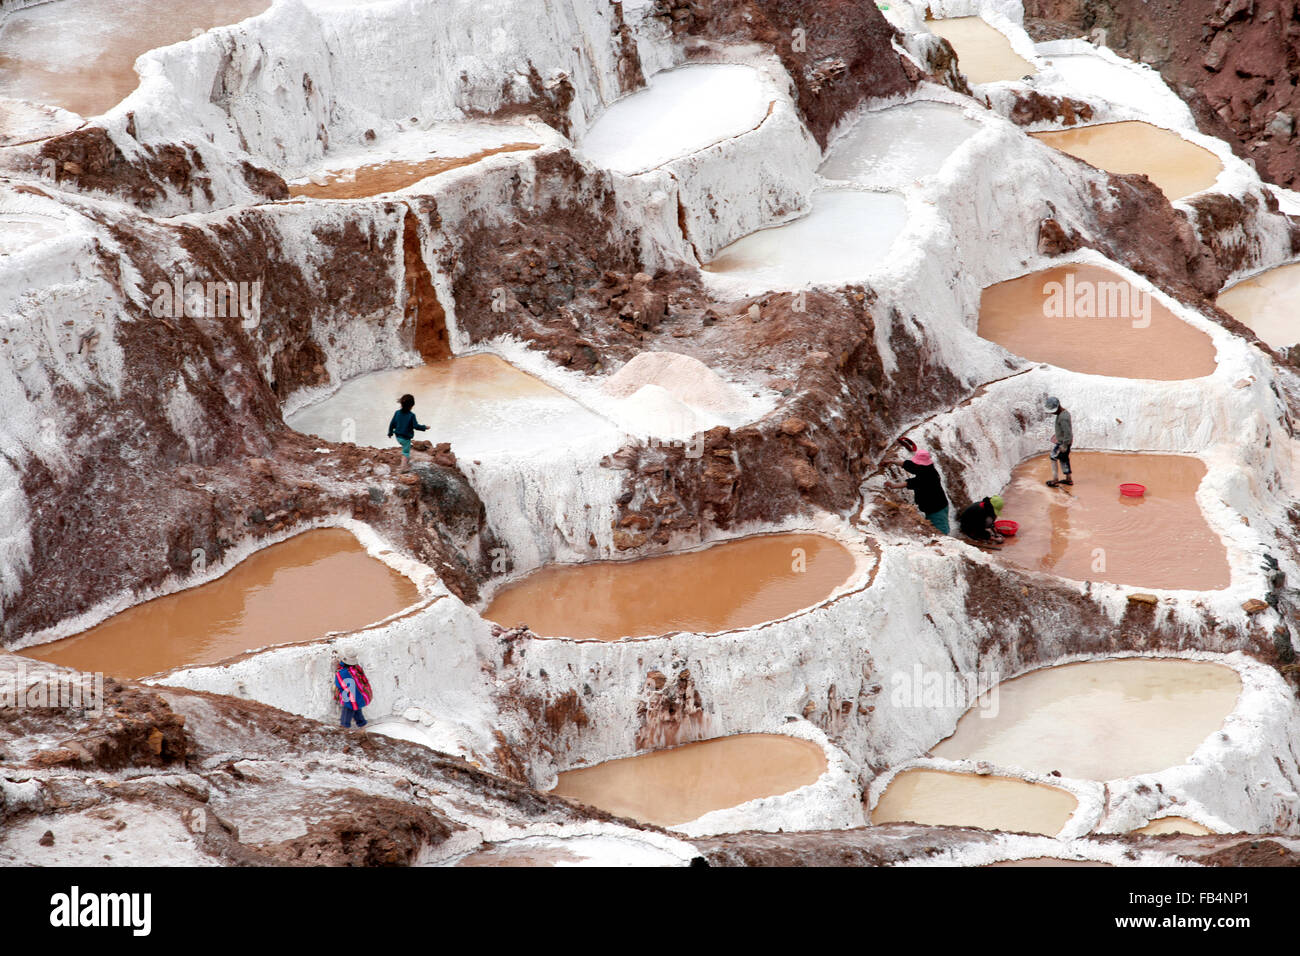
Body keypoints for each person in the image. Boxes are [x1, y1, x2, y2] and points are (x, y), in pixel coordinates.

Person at [885, 448, 949, 534]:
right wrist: (892, 461)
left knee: (940, 531)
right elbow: (907, 464)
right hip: (934, 506)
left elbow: (909, 483)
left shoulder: (928, 477)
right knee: (934, 526)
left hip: (937, 509)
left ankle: (943, 545)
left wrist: (893, 486)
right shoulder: (925, 468)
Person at [387, 393, 429, 471]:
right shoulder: (411, 415)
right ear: (412, 405)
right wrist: (424, 427)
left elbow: (392, 423)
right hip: (405, 438)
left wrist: (390, 433)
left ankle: (405, 462)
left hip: (398, 436)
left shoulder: (397, 413)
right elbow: (416, 426)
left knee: (405, 448)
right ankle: (403, 468)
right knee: (406, 452)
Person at [334, 655, 373, 730]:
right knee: (357, 708)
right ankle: (362, 725)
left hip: (349, 698)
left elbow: (340, 685)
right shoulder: (356, 668)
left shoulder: (342, 673)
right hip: (360, 695)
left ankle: (344, 729)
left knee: (347, 714)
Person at [1045, 395, 1073, 488]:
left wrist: (1064, 445)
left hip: (1063, 443)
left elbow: (1068, 432)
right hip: (1064, 441)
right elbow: (1063, 430)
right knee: (1064, 459)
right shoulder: (1063, 414)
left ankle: (1055, 479)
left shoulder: (1063, 417)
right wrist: (1057, 435)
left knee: (1053, 457)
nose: (1052, 413)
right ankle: (1068, 479)